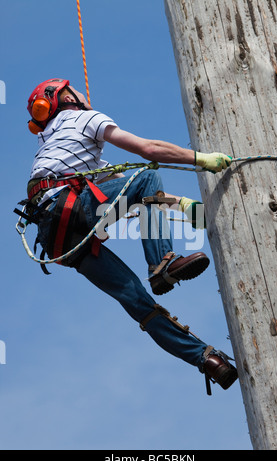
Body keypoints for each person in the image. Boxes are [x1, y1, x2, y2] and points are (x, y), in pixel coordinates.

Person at [25, 78, 237, 395]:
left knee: (136, 300)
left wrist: (181, 205)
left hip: (55, 233)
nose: (84, 93)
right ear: (66, 96)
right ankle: (162, 263)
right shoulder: (84, 118)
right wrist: (201, 160)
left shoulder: (52, 145)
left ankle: (207, 359)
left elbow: (129, 194)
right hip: (69, 207)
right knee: (147, 173)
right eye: (76, 90)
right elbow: (147, 153)